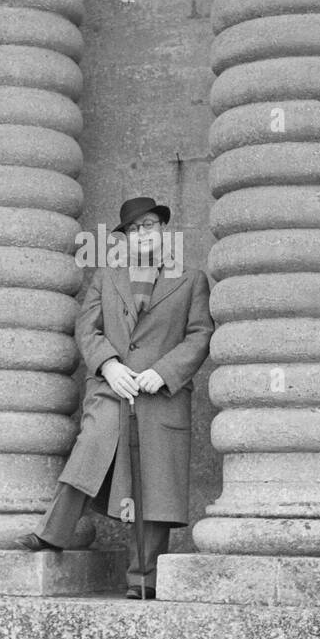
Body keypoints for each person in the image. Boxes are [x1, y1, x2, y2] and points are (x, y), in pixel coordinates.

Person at [17, 197, 214, 599]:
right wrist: (108, 365)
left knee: (154, 487)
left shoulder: (191, 278)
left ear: (164, 232)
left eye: (152, 225)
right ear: (125, 237)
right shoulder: (106, 277)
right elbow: (87, 329)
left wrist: (164, 372)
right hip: (112, 387)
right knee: (90, 450)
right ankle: (53, 533)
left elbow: (200, 334)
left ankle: (142, 580)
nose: (145, 232)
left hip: (161, 396)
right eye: (136, 227)